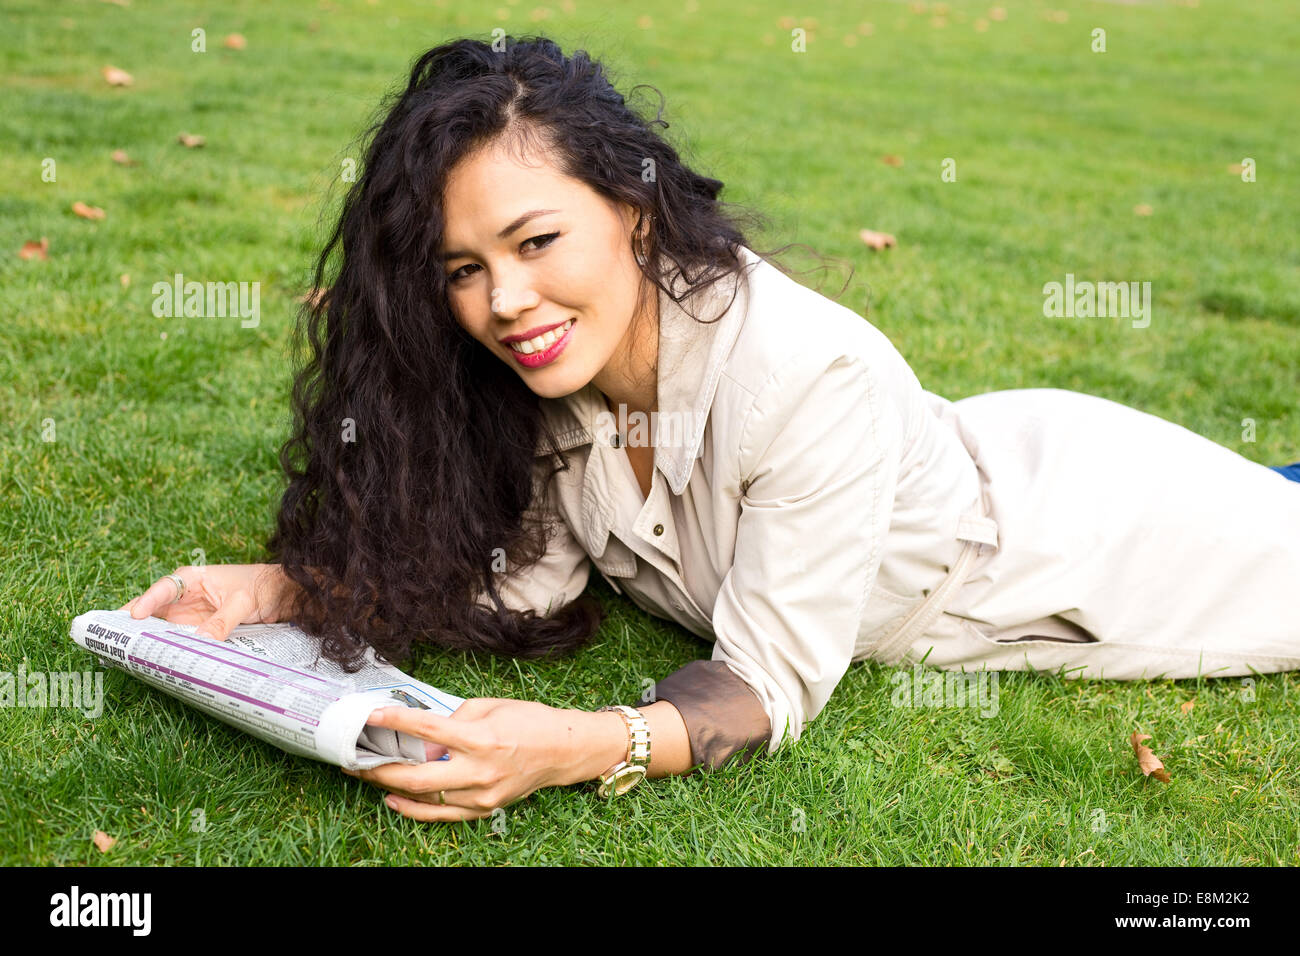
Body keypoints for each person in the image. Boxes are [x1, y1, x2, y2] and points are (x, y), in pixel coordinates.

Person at [118, 36, 1300, 823]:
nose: (507, 302)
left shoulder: (800, 370)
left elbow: (767, 686)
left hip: (1104, 535)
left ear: (631, 209)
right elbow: (519, 589)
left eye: (537, 243)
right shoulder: (542, 374)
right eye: (463, 269)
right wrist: (275, 587)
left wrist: (574, 744)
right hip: (996, 447)